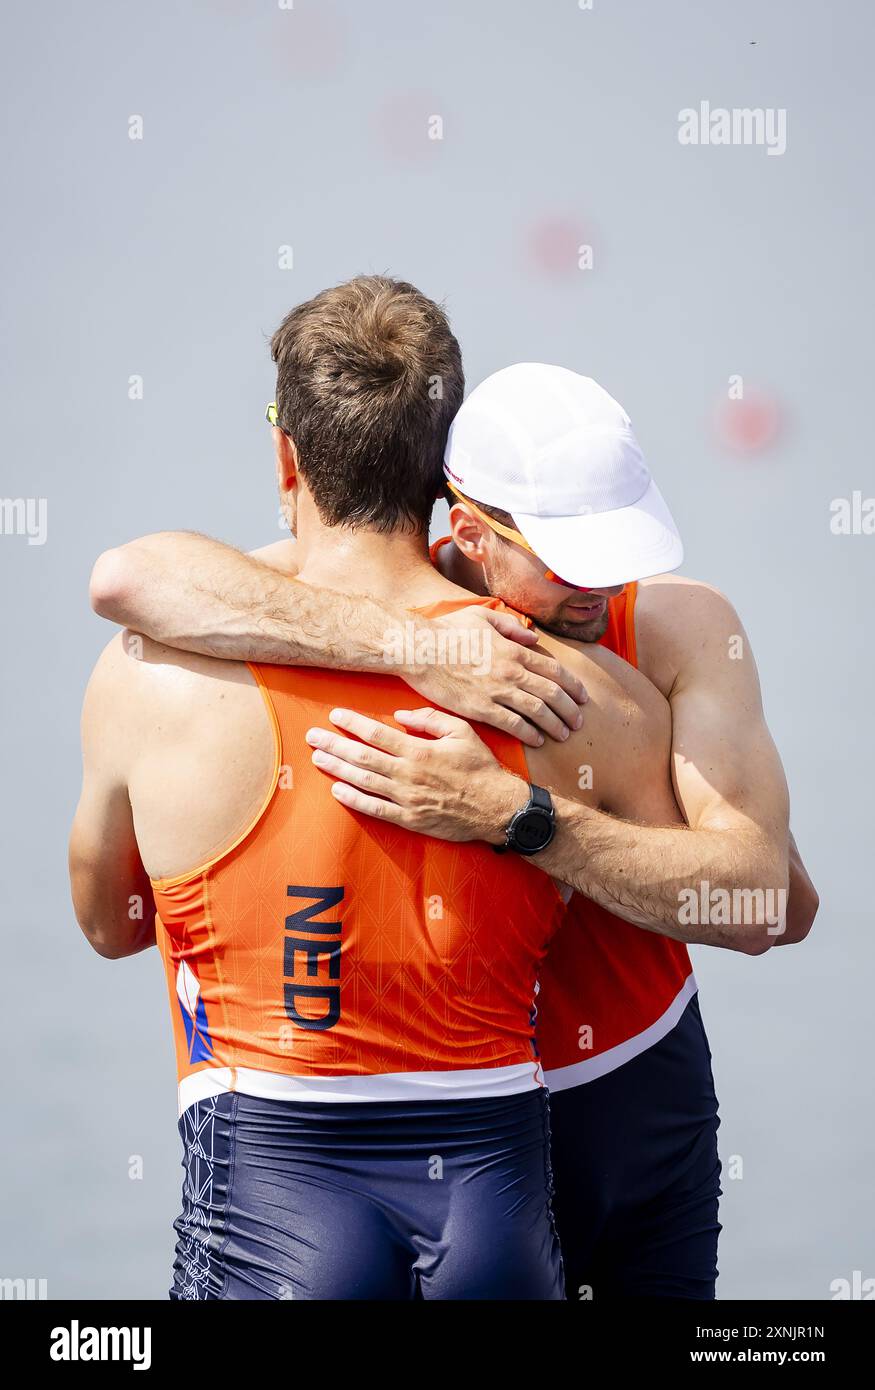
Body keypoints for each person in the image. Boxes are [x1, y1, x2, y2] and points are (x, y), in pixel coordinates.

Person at [91, 351, 818, 1301]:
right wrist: (413, 644)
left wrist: (518, 818)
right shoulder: (320, 606)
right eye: (566, 562)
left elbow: (770, 902)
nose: (596, 590)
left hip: (633, 1103)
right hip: (470, 1135)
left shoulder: (679, 630)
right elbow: (128, 578)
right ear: (468, 529)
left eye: (618, 548)